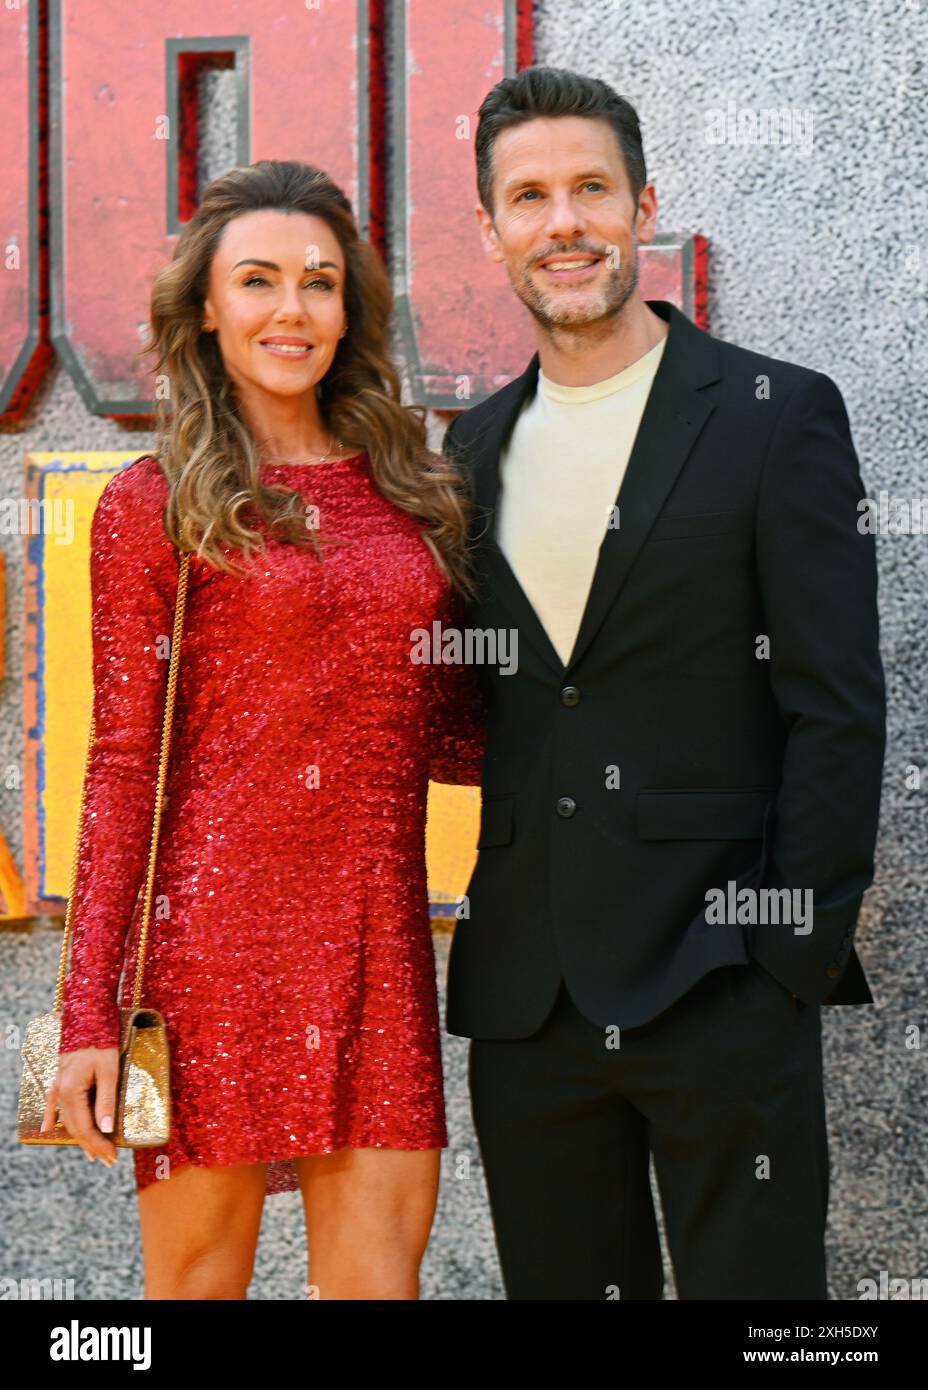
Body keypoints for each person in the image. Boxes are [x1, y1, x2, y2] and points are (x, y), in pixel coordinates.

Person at [441, 66, 886, 1300]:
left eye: (591, 188)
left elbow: (836, 706)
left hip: (721, 975)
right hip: (530, 1004)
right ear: (490, 230)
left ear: (644, 205)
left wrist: (785, 956)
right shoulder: (467, 450)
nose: (563, 222)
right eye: (528, 197)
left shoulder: (771, 414)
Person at [42, 159, 485, 1301]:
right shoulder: (159, 501)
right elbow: (122, 764)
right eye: (259, 281)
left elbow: (454, 733)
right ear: (206, 308)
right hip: (206, 956)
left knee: (380, 1285)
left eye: (320, 282)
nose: (293, 309)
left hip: (378, 946)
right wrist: (88, 1013)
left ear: (352, 307)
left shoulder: (418, 491)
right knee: (193, 1288)